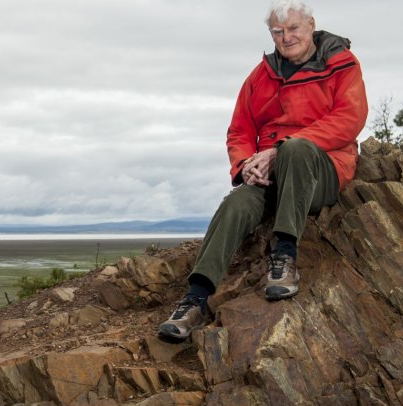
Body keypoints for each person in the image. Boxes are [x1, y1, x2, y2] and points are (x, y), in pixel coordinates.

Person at [158, 0, 368, 341]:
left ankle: (284, 256)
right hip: (271, 173)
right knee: (237, 203)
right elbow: (240, 130)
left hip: (323, 170)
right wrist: (245, 166)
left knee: (296, 149)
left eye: (294, 28)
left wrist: (279, 148)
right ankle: (195, 299)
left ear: (311, 25)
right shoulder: (262, 75)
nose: (286, 38)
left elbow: (349, 119)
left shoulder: (342, 63)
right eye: (278, 32)